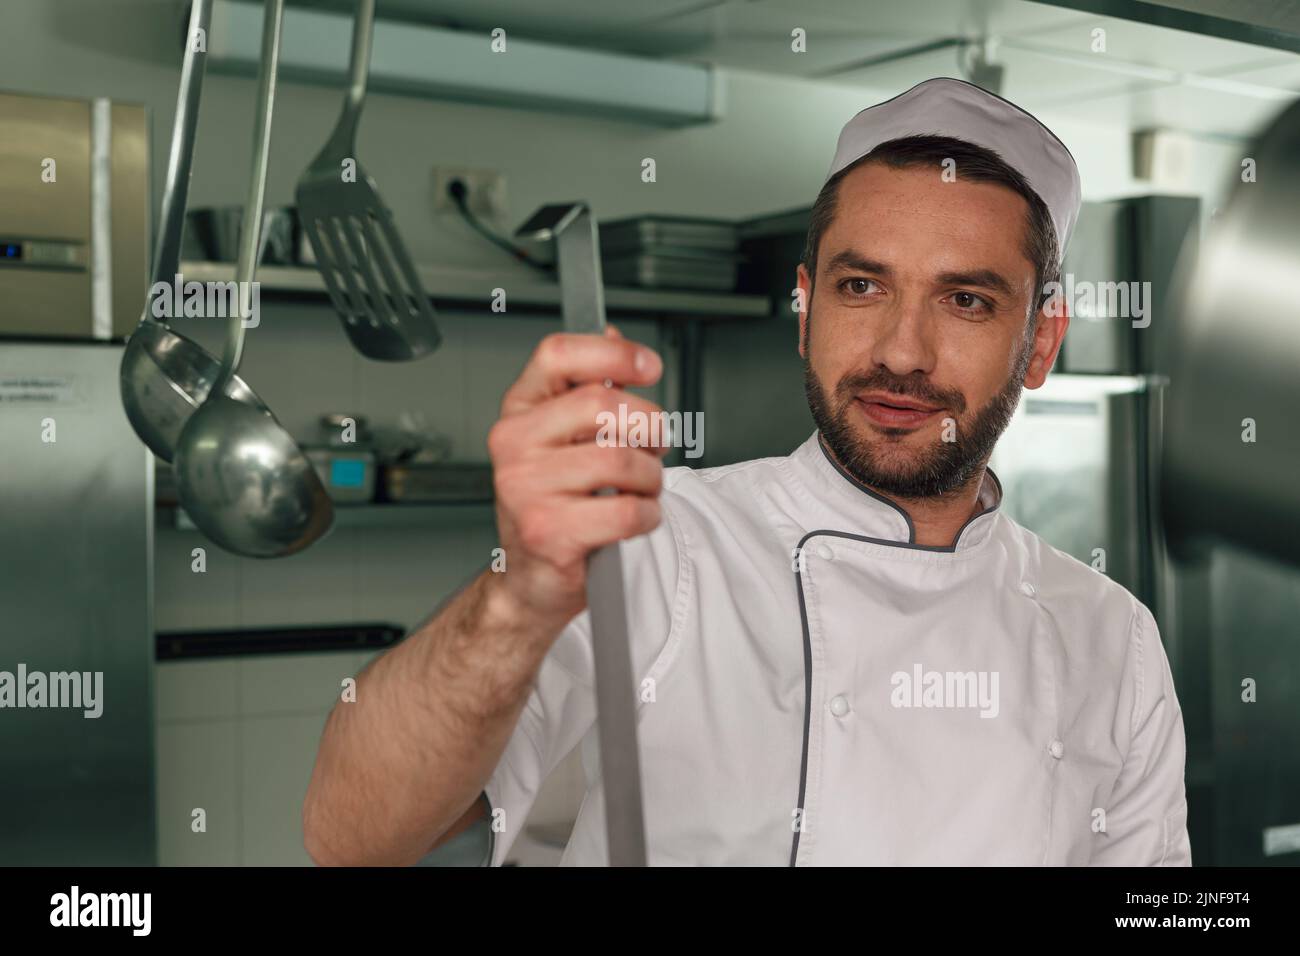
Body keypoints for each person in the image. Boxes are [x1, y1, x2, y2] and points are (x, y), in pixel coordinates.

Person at [302, 77, 1191, 866]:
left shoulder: (1111, 640)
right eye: (862, 287)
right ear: (804, 306)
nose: (901, 352)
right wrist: (518, 597)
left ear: (1039, 343)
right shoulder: (657, 543)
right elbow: (352, 837)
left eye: (965, 300)